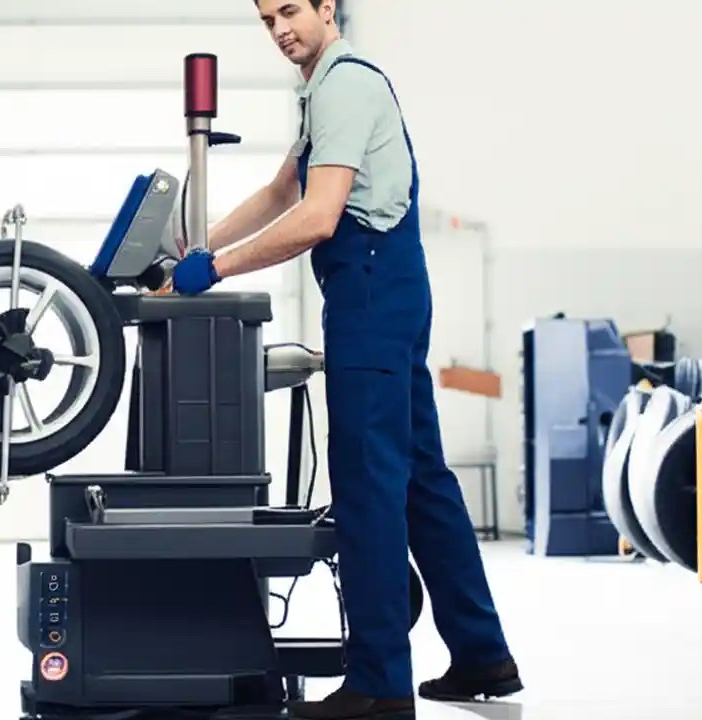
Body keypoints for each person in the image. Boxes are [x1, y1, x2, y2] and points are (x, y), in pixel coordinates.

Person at [168, 1, 523, 718]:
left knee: (367, 488)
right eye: (267, 19)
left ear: (328, 7)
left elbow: (318, 215)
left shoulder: (347, 84)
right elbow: (280, 192)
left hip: (368, 289)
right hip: (383, 291)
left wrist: (222, 268)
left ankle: (379, 684)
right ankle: (485, 654)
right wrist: (191, 247)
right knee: (421, 479)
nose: (280, 30)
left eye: (291, 11)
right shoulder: (324, 89)